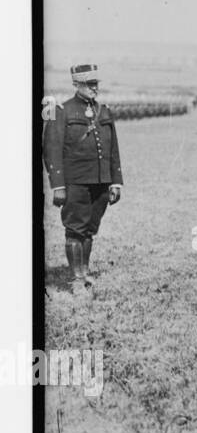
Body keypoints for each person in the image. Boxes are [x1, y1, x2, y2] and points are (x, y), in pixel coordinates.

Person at [42, 63, 123, 294]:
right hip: (74, 182)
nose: (94, 89)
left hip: (101, 181)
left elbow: (113, 149)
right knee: (75, 229)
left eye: (96, 84)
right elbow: (52, 150)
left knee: (89, 229)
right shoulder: (62, 111)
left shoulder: (104, 111)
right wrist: (58, 186)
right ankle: (77, 279)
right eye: (90, 84)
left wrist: (115, 181)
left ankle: (84, 272)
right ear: (76, 84)